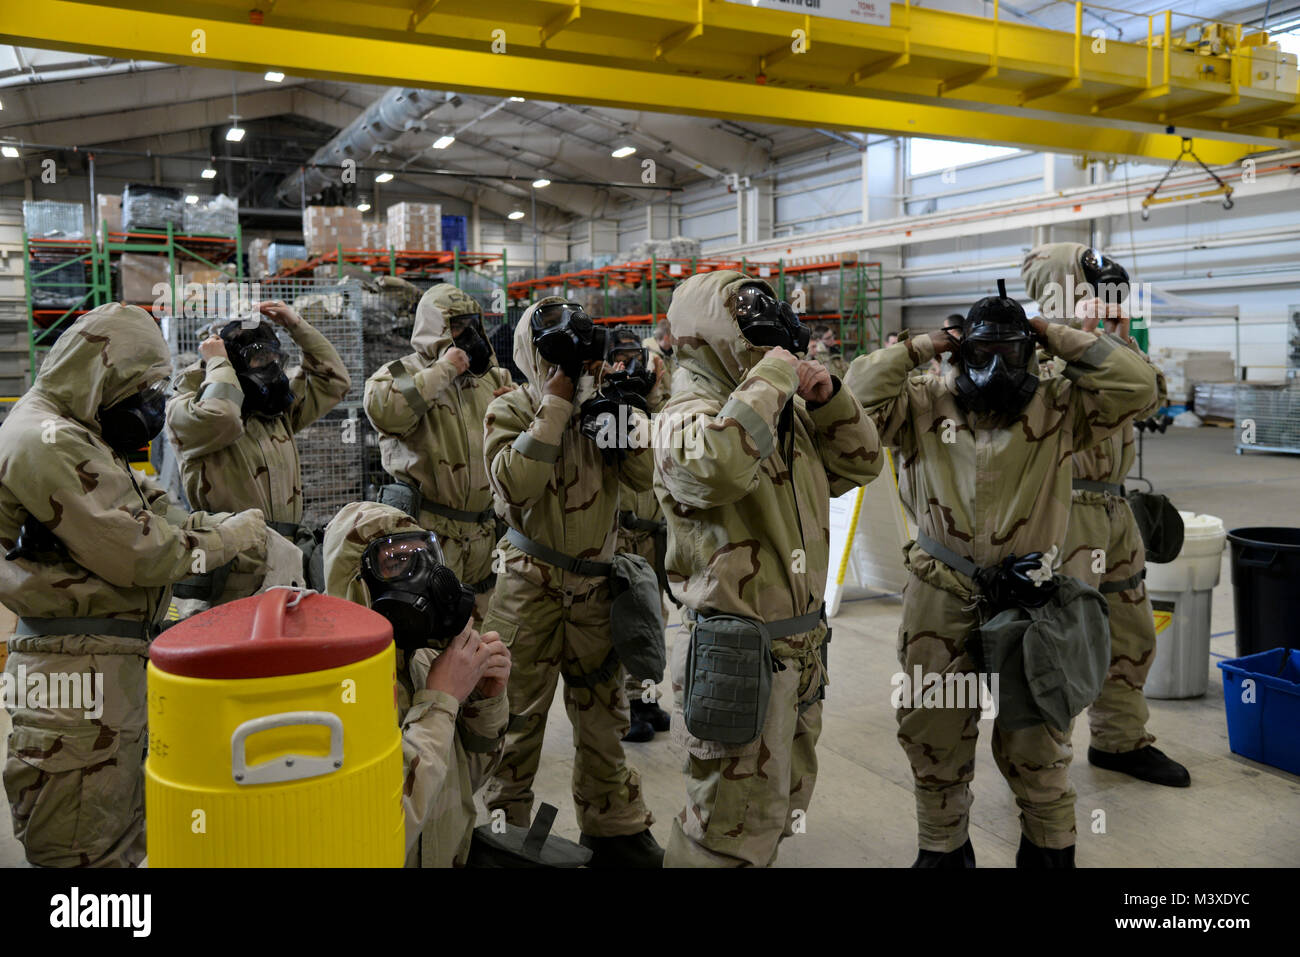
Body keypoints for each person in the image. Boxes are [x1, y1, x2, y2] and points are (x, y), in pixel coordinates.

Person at [845, 280, 1158, 868]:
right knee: (933, 728)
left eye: (1012, 351)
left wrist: (1052, 333)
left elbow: (1137, 385)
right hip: (942, 592)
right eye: (981, 351)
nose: (997, 366)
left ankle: (1048, 849)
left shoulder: (1061, 405)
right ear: (959, 352)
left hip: (1032, 595)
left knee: (1037, 732)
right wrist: (924, 345)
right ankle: (943, 848)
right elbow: (852, 397)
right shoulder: (920, 402)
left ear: (1032, 352)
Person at [0, 302, 268, 867]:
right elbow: (140, 551)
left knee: (120, 835)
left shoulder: (79, 430)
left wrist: (200, 525)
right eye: (139, 389)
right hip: (75, 677)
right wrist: (230, 535)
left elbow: (147, 508)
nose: (148, 408)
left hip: (102, 664)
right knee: (82, 853)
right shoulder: (47, 438)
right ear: (102, 374)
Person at [653, 272, 882, 867]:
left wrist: (828, 396)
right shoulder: (686, 414)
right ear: (713, 340)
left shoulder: (782, 415)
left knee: (777, 812)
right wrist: (774, 377)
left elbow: (863, 464)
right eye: (752, 338)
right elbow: (718, 468)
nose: (767, 350)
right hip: (738, 655)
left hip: (799, 651)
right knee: (724, 829)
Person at [479, 297, 662, 868]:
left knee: (604, 715)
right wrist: (555, 407)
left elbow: (641, 481)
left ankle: (613, 827)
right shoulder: (509, 407)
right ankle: (501, 829)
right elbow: (515, 487)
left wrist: (626, 416)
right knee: (514, 719)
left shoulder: (604, 410)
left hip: (595, 588)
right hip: (527, 587)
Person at [1021, 243, 1189, 788]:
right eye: (1089, 283)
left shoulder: (1108, 338)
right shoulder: (1034, 340)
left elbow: (1152, 397)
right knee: (1064, 635)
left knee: (1131, 627)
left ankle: (1121, 740)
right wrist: (1075, 333)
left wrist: (1116, 338)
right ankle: (1042, 758)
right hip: (1065, 506)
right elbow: (1039, 401)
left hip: (1116, 505)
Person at [322, 501, 510, 867]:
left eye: (424, 556)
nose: (424, 576)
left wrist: (484, 702)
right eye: (397, 563)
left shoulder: (423, 662)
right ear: (355, 585)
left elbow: (461, 783)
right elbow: (383, 825)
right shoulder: (336, 698)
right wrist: (439, 702)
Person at [165, 299, 350, 600]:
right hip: (235, 565)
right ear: (231, 364)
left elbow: (334, 380)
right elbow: (222, 416)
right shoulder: (187, 410)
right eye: (258, 359)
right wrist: (217, 363)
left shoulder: (274, 410)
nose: (270, 368)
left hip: (290, 558)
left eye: (272, 357)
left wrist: (297, 325)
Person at [364, 283, 514, 623]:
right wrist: (446, 368)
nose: (469, 335)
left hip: (483, 533)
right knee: (430, 631)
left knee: (485, 631)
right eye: (457, 325)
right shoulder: (400, 372)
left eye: (473, 325)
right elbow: (390, 412)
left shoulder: (490, 378)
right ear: (435, 327)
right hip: (428, 532)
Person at [604, 327, 672, 742]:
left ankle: (645, 698)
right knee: (620, 623)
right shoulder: (602, 403)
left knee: (653, 621)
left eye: (634, 357)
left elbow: (666, 432)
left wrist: (653, 389)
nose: (627, 366)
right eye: (620, 358)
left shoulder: (648, 401)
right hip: (618, 533)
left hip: (652, 533)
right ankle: (624, 707)